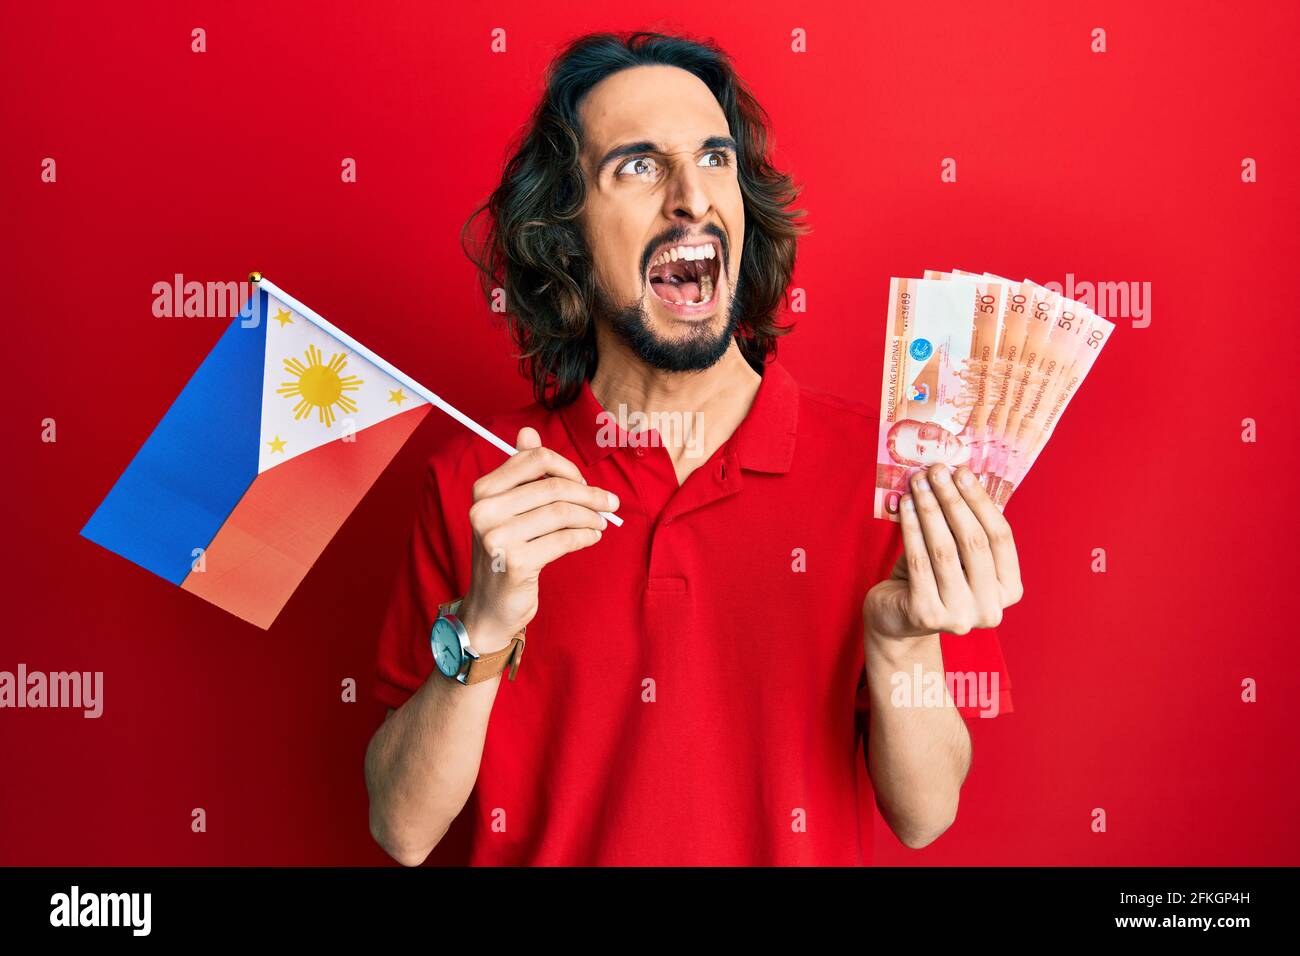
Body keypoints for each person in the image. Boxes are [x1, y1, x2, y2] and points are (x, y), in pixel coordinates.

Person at [364, 31, 1024, 866]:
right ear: (563, 235)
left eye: (714, 159)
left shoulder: (887, 469)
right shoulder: (482, 486)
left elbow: (927, 815)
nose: (690, 197)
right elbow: (401, 827)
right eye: (636, 166)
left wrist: (901, 645)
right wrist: (484, 627)